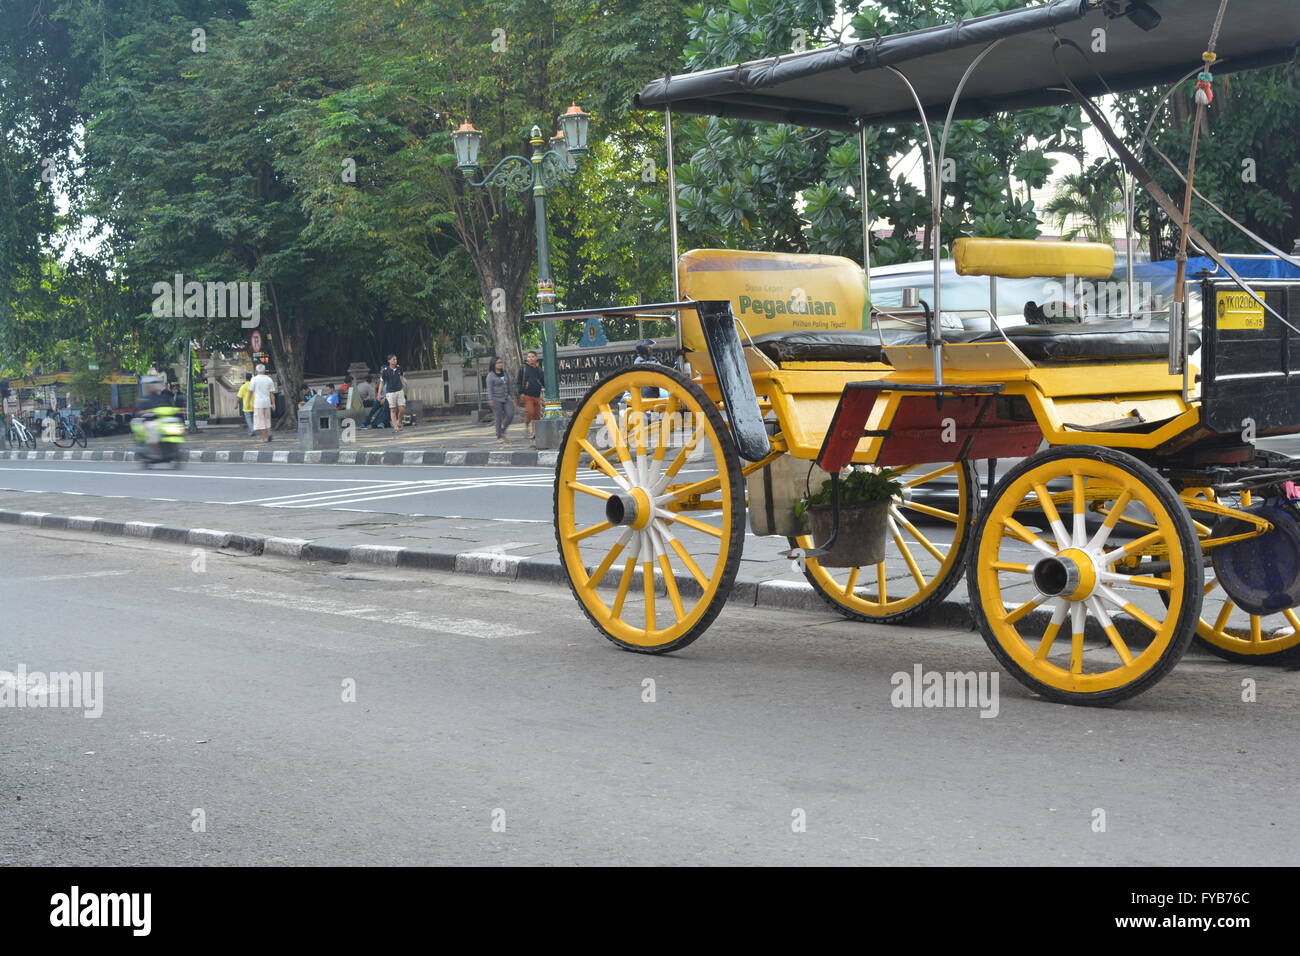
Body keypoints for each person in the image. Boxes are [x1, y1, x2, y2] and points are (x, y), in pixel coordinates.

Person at [516, 350, 545, 441]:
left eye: (532, 356)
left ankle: (534, 432)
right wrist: (520, 392)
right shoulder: (523, 368)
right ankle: (526, 426)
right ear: (527, 358)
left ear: (536, 358)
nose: (531, 358)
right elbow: (519, 381)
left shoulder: (539, 369)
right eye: (529, 357)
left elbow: (543, 381)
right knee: (530, 412)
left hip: (537, 395)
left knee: (537, 416)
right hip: (527, 394)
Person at [485, 357, 513, 444]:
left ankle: (502, 430)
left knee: (510, 414)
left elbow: (509, 385)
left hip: (506, 398)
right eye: (498, 363)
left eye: (501, 362)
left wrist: (513, 396)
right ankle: (499, 436)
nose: (500, 364)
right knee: (498, 418)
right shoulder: (490, 375)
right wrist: (490, 400)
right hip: (496, 399)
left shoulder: (504, 373)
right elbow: (489, 389)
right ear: (494, 364)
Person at [378, 354, 407, 433]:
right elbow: (382, 382)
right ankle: (395, 427)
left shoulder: (399, 368)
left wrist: (403, 388)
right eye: (393, 359)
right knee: (393, 410)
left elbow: (401, 378)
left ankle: (399, 421)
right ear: (389, 361)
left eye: (396, 359)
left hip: (399, 390)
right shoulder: (385, 371)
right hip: (390, 392)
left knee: (402, 409)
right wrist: (379, 394)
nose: (395, 361)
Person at [249, 363, 278, 442]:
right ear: (264, 371)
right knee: (267, 419)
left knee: (260, 421)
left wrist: (248, 402)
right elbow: (272, 393)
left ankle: (264, 438)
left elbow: (250, 392)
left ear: (256, 371)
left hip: (258, 403)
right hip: (267, 402)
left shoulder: (254, 379)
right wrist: (273, 403)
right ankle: (269, 433)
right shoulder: (269, 379)